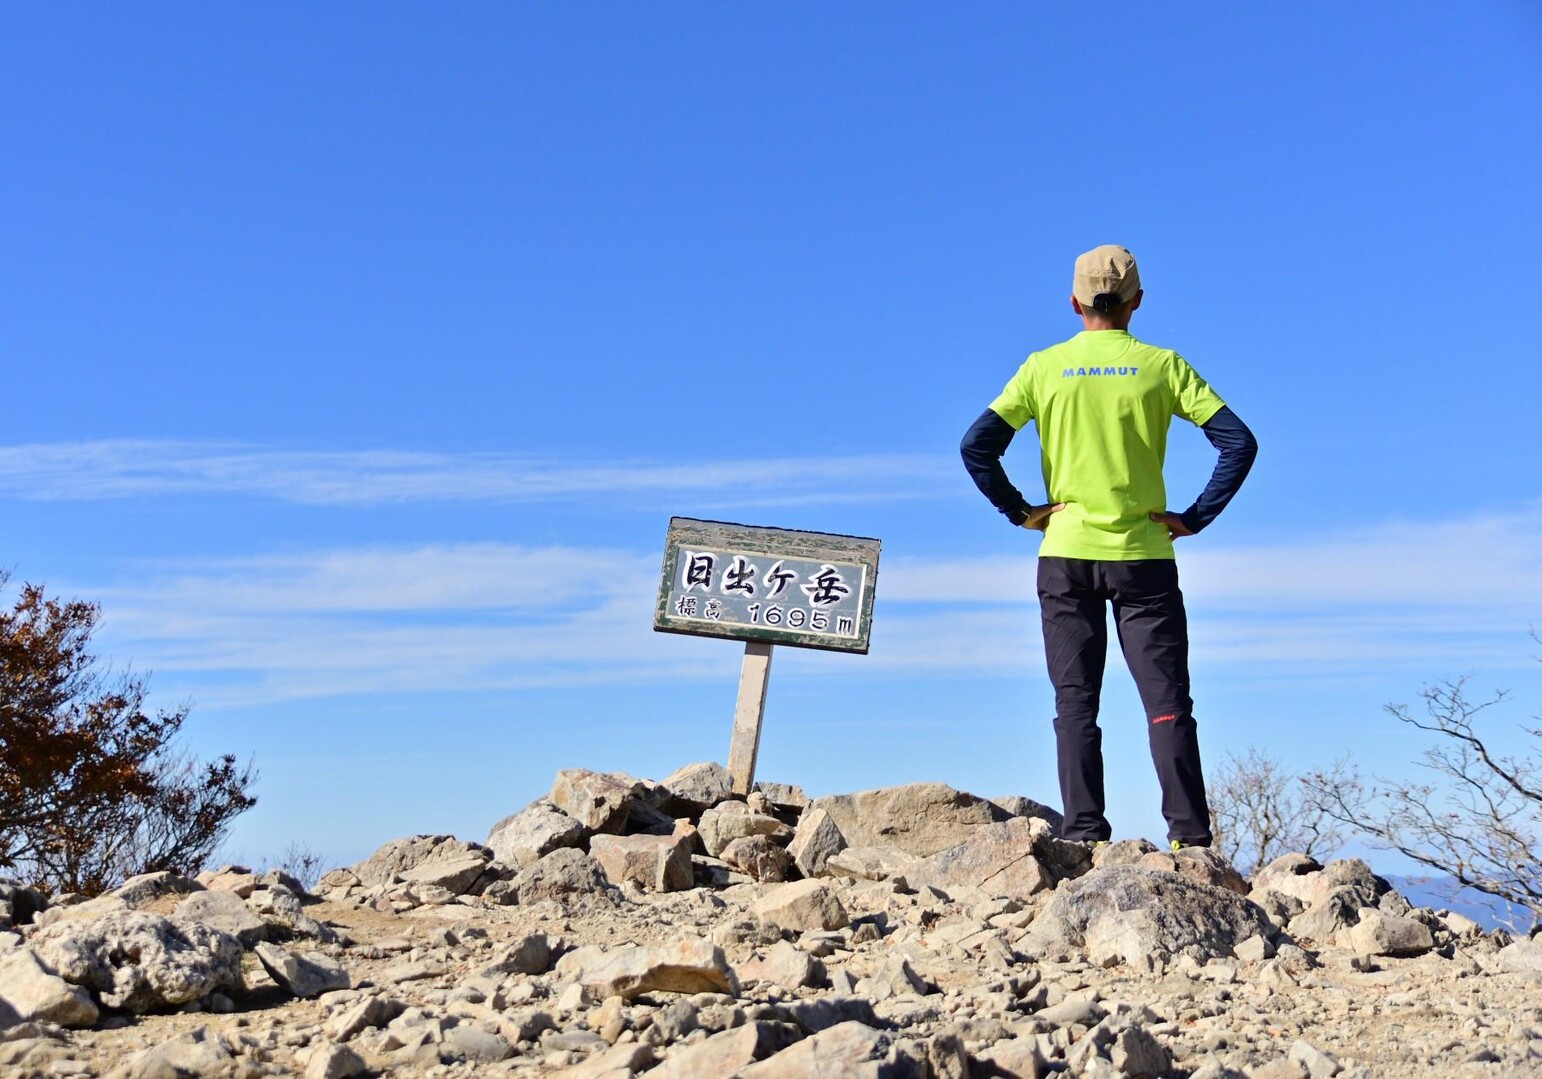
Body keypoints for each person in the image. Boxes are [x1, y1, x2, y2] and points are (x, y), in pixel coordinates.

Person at [960, 245, 1257, 848]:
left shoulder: (1043, 368)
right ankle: (1191, 841)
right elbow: (1239, 443)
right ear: (1137, 302)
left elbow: (976, 447)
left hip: (1064, 554)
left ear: (1073, 302)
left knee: (1076, 704)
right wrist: (1195, 518)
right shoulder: (1162, 365)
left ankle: (1085, 835)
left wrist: (1023, 512)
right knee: (1167, 703)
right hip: (1146, 556)